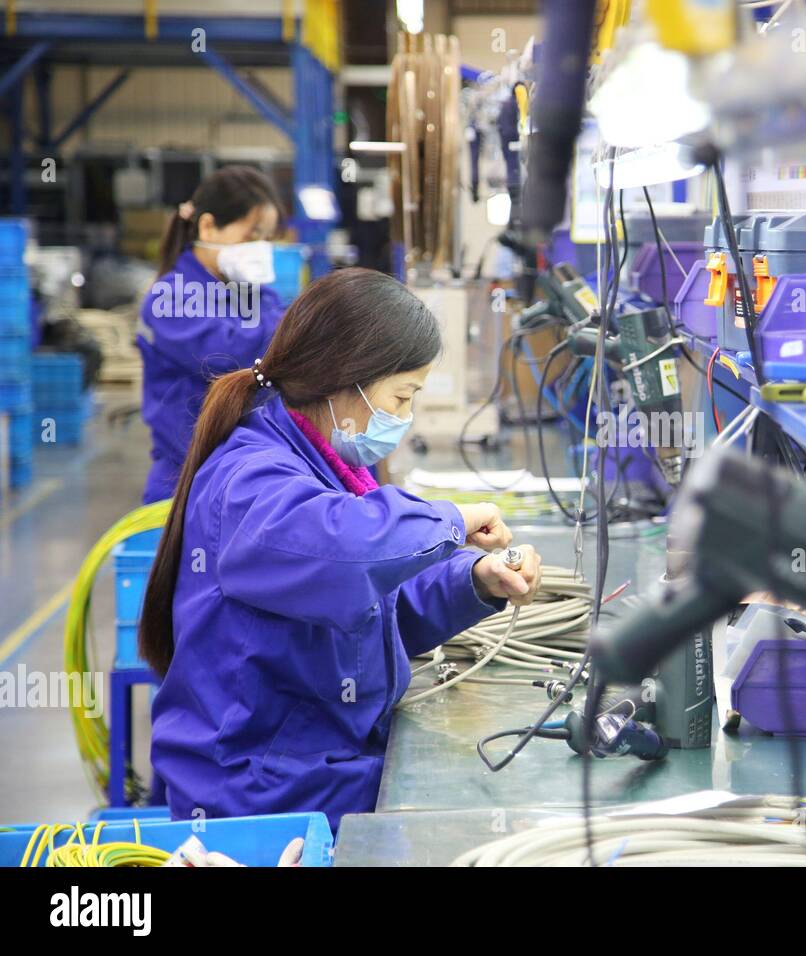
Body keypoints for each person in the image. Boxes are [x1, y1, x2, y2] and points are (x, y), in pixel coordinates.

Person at [137, 268, 543, 829]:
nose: (403, 418)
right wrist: (450, 519)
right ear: (346, 381)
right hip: (258, 791)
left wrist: (474, 581)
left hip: (315, 762)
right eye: (401, 397)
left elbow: (376, 604)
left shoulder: (328, 468)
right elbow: (348, 550)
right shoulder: (250, 480)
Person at [138, 165, 287, 503]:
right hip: (189, 479)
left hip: (241, 470)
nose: (261, 248)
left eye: (267, 238)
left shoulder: (246, 291)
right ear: (208, 225)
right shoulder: (171, 298)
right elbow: (232, 357)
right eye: (252, 236)